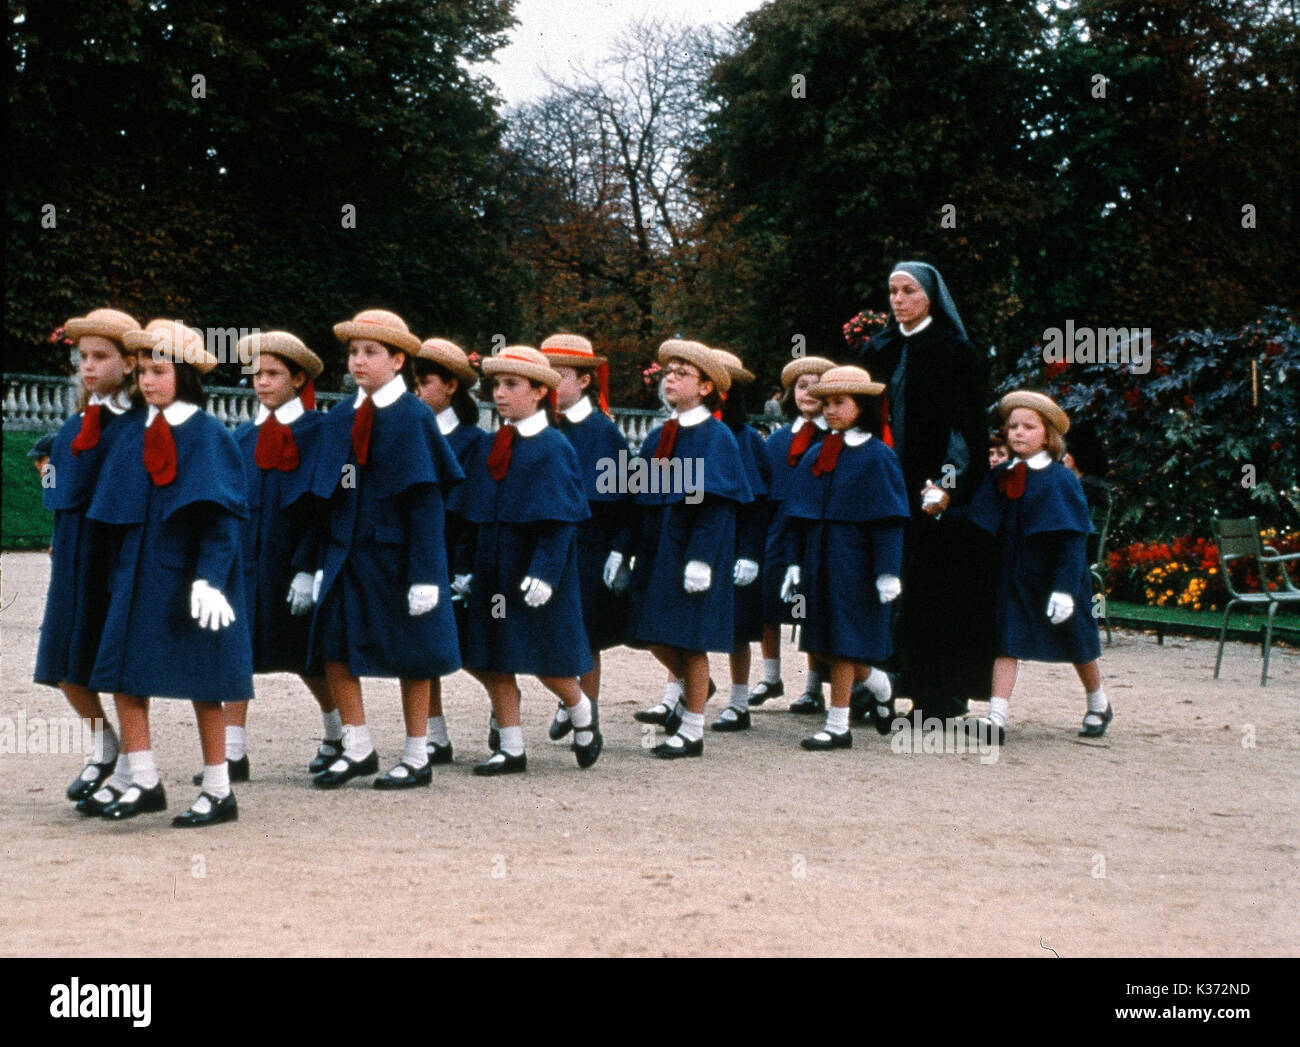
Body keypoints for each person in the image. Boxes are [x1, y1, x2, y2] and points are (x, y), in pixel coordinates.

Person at [82, 321, 253, 826]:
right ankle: (145, 779)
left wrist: (210, 580)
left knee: (206, 683)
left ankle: (219, 790)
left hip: (189, 579)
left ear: (186, 376)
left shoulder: (208, 435)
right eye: (143, 373)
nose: (148, 382)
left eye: (160, 371)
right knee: (124, 678)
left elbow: (221, 521)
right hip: (136, 577)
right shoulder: (134, 432)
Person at [306, 310, 464, 790]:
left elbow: (426, 504)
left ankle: (417, 755)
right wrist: (313, 564)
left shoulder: (413, 417)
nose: (358, 360)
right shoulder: (341, 416)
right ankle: (356, 746)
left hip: (397, 559)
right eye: (354, 352)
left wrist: (426, 575)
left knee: (411, 654)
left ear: (398, 361)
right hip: (345, 555)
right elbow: (326, 498)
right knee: (332, 646)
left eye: (371, 352)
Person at [192, 331, 338, 783]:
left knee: (306, 655)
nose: (261, 382)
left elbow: (325, 507)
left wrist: (308, 567)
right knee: (234, 651)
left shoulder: (320, 432)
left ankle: (336, 733)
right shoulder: (241, 437)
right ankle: (233, 751)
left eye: (273, 374)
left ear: (298, 378)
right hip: (246, 561)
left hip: (292, 563)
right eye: (256, 374)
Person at [452, 345, 602, 775]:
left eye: (511, 385)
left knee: (546, 658)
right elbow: (472, 516)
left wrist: (546, 573)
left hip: (535, 570)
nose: (499, 393)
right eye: (496, 384)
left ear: (539, 392)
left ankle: (581, 709)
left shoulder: (555, 447)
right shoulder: (487, 445)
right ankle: (512, 748)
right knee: (492, 656)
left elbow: (561, 521)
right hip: (492, 568)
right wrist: (464, 568)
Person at [859, 260, 995, 720]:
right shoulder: (878, 348)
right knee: (875, 582)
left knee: (930, 592)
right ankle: (871, 687)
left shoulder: (954, 350)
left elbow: (966, 429)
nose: (898, 300)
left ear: (930, 297)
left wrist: (947, 486)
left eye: (908, 291)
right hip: (881, 484)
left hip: (930, 490)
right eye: (893, 291)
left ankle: (937, 694)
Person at [937, 391, 1111, 743]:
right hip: (1016, 575)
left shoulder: (1062, 480)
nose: (1018, 433)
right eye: (1013, 426)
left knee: (1078, 643)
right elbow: (978, 521)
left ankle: (1098, 702)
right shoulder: (1002, 475)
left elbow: (1073, 539)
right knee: (1007, 641)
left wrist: (1065, 590)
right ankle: (996, 719)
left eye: (1028, 427)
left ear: (1047, 435)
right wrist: (942, 508)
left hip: (1059, 576)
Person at [624, 340, 752, 758]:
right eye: (668, 373)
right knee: (648, 630)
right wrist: (621, 548)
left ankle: (692, 729)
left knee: (690, 638)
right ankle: (695, 689)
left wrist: (700, 560)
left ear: (706, 387)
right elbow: (638, 495)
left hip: (691, 548)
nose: (671, 380)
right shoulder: (660, 435)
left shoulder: (717, 437)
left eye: (682, 374)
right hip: (656, 543)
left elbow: (714, 506)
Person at [36, 308, 143, 805]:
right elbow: (57, 478)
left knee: (113, 662)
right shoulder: (77, 421)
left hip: (116, 551)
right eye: (84, 357)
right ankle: (104, 745)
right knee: (62, 661)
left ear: (129, 363)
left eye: (102, 357)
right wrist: (56, 512)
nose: (89, 367)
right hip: (75, 550)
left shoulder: (139, 422)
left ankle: (132, 763)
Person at [779, 366, 907, 749]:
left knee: (844, 642)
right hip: (819, 558)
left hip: (857, 561)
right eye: (826, 403)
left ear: (862, 405)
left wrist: (887, 571)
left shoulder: (878, 457)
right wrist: (794, 563)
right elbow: (797, 517)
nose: (830, 410)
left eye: (839, 402)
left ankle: (838, 725)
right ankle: (882, 685)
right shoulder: (818, 453)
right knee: (818, 642)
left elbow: (888, 520)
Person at [539, 333, 631, 742]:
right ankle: (568, 700)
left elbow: (627, 500)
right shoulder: (535, 428)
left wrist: (619, 549)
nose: (549, 387)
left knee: (585, 632)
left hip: (588, 544)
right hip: (542, 542)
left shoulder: (603, 433)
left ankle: (584, 713)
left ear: (584, 381)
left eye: (558, 376)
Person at [412, 336, 492, 765]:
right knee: (422, 647)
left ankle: (504, 712)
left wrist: (464, 566)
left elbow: (473, 506)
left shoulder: (474, 441)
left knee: (475, 649)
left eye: (424, 383)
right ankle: (435, 735)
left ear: (451, 386)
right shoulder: (414, 433)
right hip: (422, 550)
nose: (417, 392)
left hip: (457, 553)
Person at [748, 356, 836, 714]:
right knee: (768, 602)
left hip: (814, 530)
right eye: (802, 385)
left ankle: (813, 687)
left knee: (810, 606)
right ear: (791, 393)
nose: (808, 392)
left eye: (817, 385)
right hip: (778, 530)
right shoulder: (777, 440)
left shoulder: (834, 439)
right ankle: (771, 676)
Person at [708, 348, 771, 732]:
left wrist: (749, 553)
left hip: (733, 545)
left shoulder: (746, 440)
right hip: (698, 542)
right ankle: (678, 693)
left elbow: (756, 504)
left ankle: (738, 701)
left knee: (736, 629)